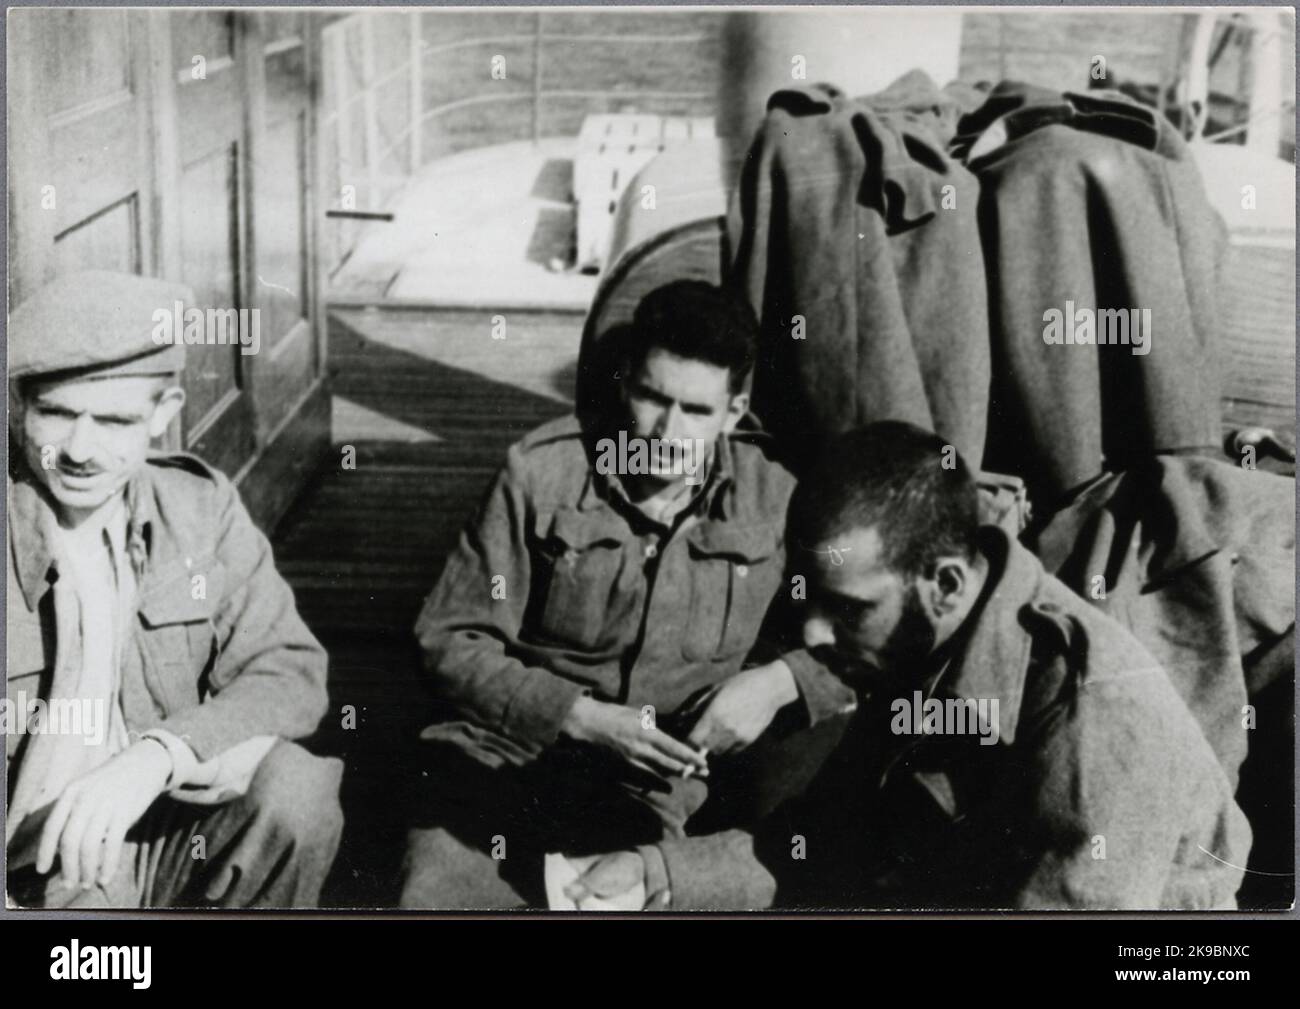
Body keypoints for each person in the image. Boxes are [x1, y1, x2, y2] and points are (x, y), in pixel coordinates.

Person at [567, 422, 1250, 910]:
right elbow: (835, 838)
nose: (811, 632)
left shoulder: (1094, 716)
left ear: (945, 583)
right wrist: (653, 874)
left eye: (848, 606)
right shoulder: (921, 644)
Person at [402, 280, 849, 907]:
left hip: (658, 786)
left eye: (696, 411)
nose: (667, 429)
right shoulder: (541, 474)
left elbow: (870, 639)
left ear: (736, 410)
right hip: (503, 756)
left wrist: (778, 683)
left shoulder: (776, 498)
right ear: (624, 384)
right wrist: (578, 716)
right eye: (651, 397)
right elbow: (448, 638)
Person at [6, 270, 342, 908]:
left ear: (163, 415)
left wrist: (159, 755)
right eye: (56, 413)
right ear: (20, 403)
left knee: (294, 794)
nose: (80, 449)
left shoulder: (196, 506)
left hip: (151, 836)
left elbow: (290, 671)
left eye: (113, 421)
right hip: (25, 877)